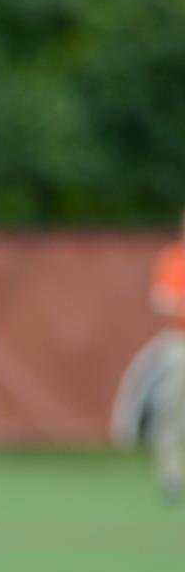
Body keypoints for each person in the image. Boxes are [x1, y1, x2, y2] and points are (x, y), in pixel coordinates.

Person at [132, 214, 185, 502]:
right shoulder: (174, 258)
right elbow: (163, 299)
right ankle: (172, 475)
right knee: (172, 409)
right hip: (180, 341)